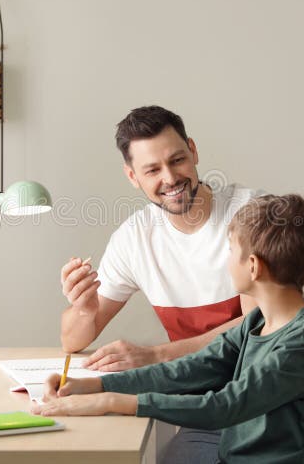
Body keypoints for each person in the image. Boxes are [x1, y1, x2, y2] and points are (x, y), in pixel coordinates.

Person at [34, 194, 304, 464]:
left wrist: (112, 402)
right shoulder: (259, 322)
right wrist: (94, 386)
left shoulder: (303, 344)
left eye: (230, 250)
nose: (226, 260)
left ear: (253, 266)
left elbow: (226, 406)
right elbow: (192, 369)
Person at [60, 106, 264, 372]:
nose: (170, 178)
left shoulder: (253, 212)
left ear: (193, 150)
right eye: (153, 170)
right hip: (191, 383)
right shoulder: (134, 239)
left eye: (177, 160)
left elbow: (260, 324)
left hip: (256, 373)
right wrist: (86, 309)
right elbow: (71, 341)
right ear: (132, 176)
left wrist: (158, 355)